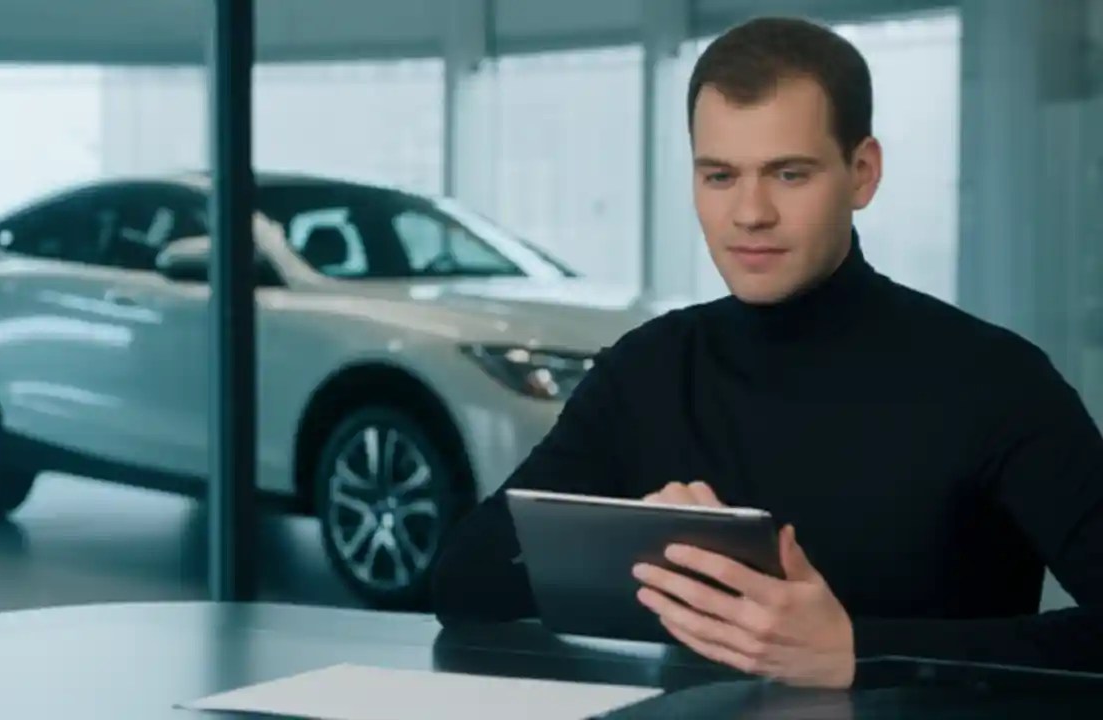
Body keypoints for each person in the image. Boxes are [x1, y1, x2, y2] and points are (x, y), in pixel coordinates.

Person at [430, 16, 1103, 689]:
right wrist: (633, 551)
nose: (750, 213)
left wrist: (857, 651)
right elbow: (463, 583)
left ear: (861, 174)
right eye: (720, 176)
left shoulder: (996, 382)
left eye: (788, 173)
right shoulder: (649, 370)